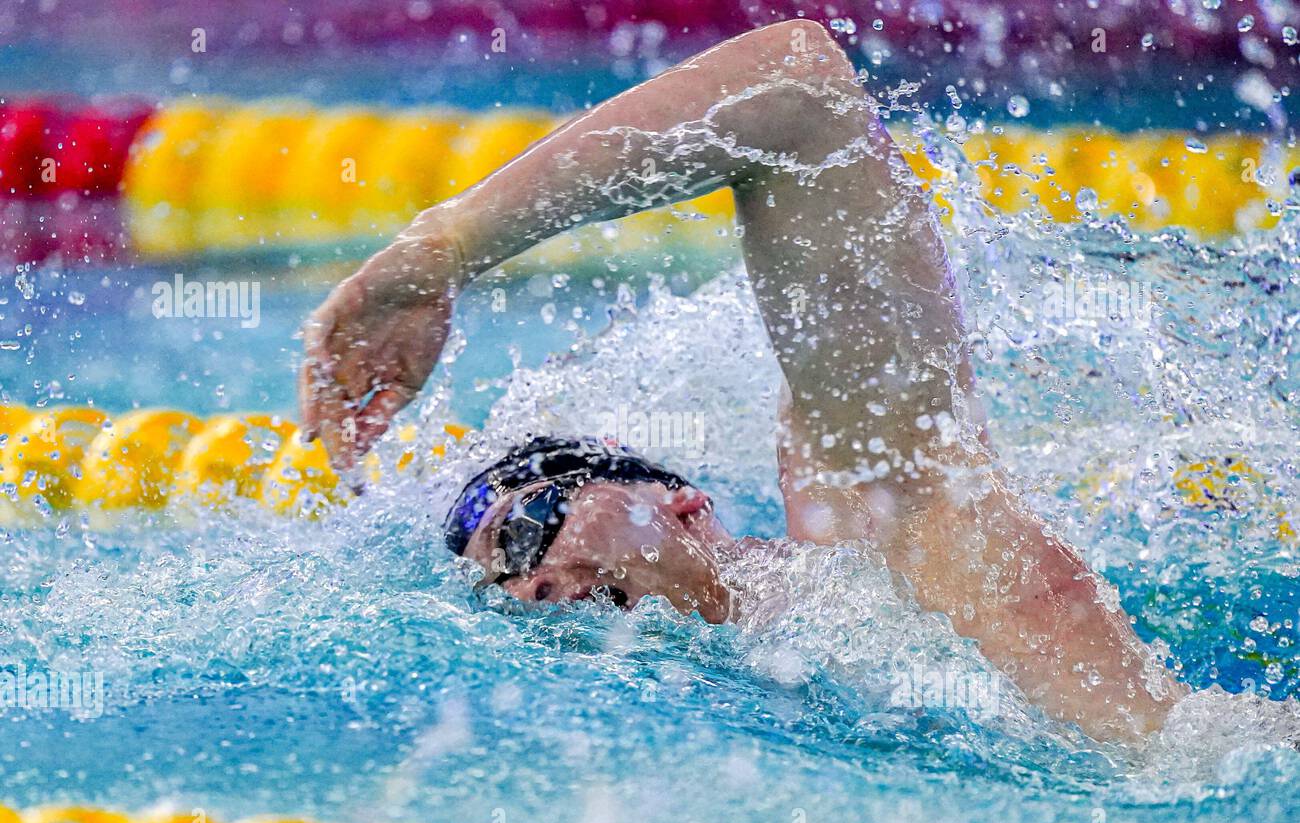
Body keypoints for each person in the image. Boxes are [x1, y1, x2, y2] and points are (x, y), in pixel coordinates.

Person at [297, 19, 1183, 742]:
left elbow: (798, 91)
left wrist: (445, 249)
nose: (530, 590)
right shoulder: (744, 720)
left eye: (527, 534)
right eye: (504, 596)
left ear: (678, 499)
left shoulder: (884, 515)